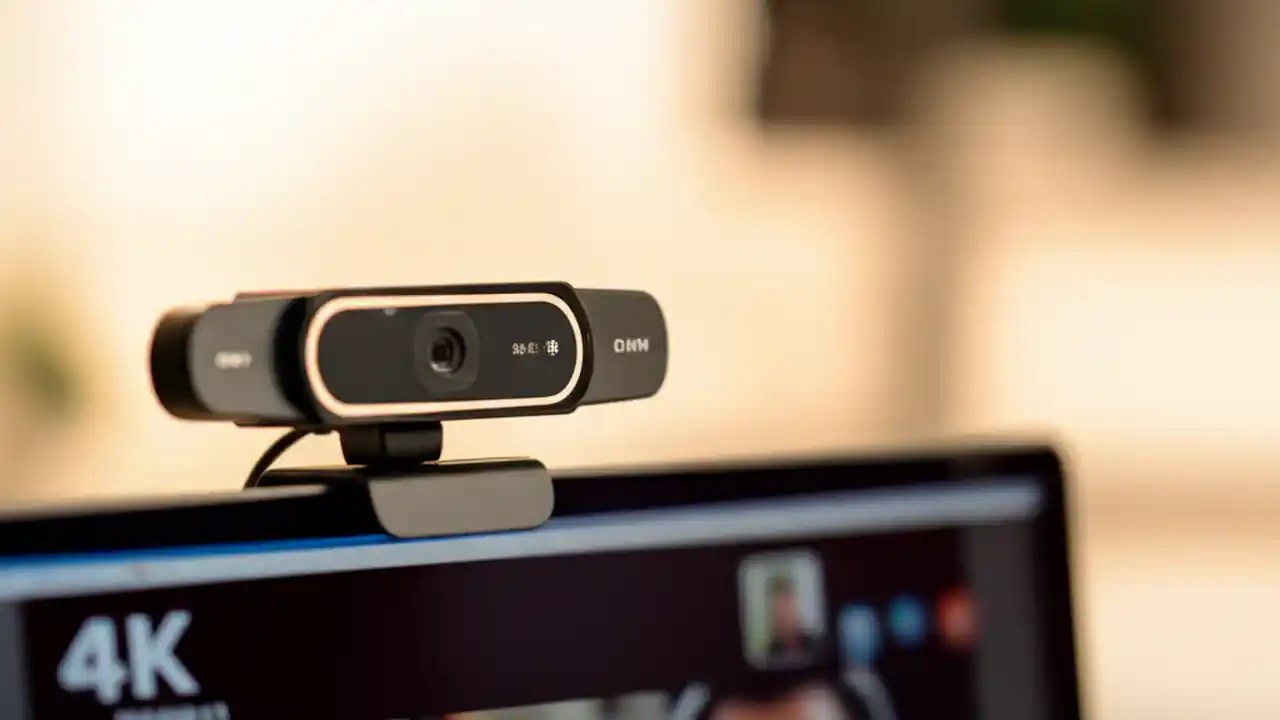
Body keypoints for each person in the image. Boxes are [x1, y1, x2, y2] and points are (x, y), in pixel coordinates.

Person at [764, 574, 820, 663]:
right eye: (778, 607)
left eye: (786, 606)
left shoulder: (817, 647)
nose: (783, 613)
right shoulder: (770, 652)